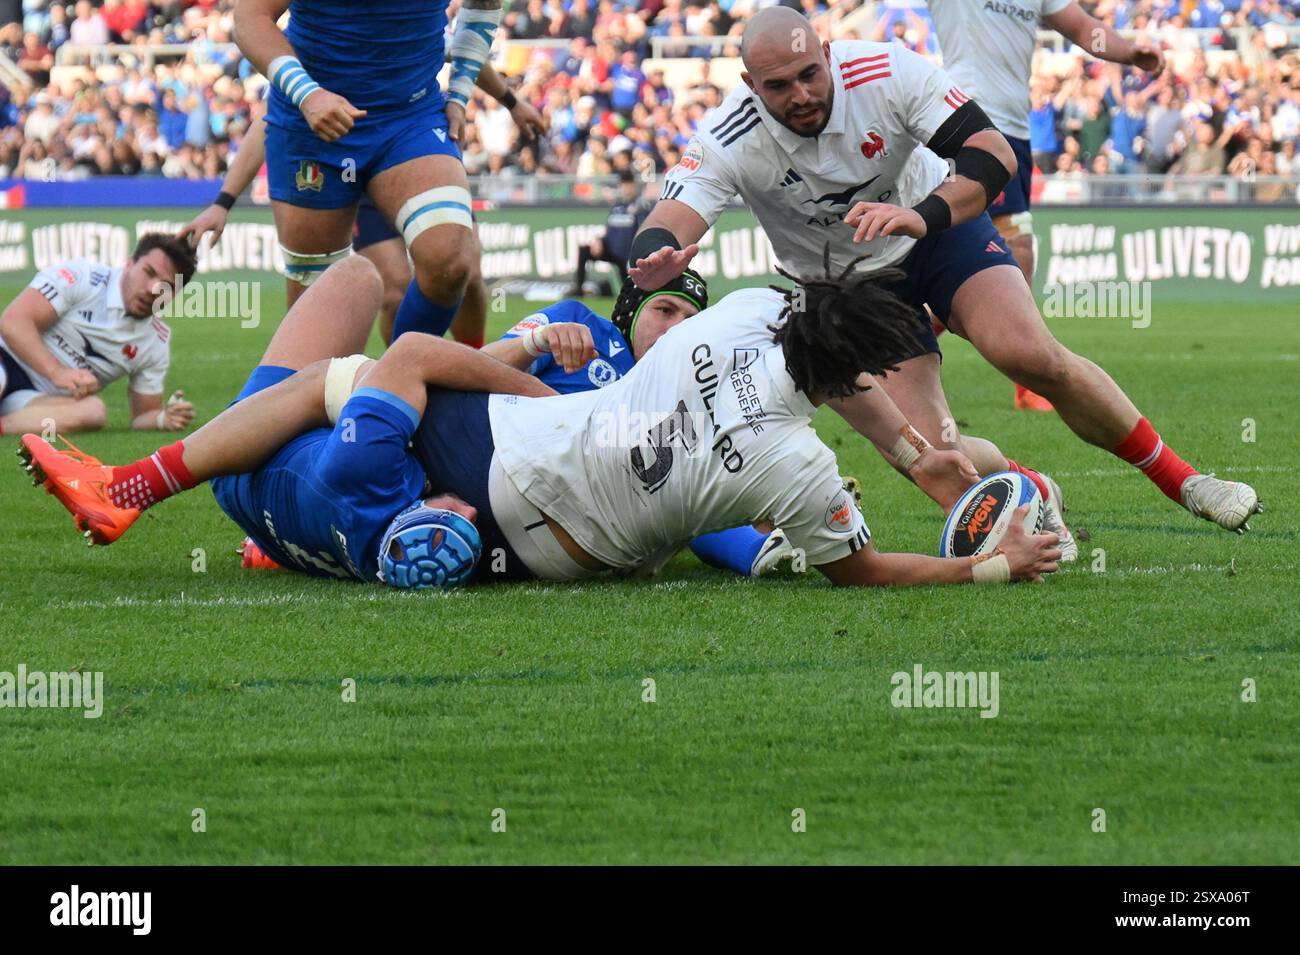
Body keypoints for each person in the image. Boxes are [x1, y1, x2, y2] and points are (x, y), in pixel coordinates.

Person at [20, 258, 1062, 588]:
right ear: (853, 367)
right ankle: (307, 533)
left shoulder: (738, 315)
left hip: (524, 457)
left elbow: (810, 359)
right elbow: (865, 575)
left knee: (389, 361)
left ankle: (132, 487)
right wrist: (990, 564)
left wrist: (522, 372)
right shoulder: (796, 474)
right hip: (551, 550)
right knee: (392, 376)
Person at [629, 7, 1261, 541]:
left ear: (828, 52)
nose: (800, 95)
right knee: (934, 455)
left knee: (1030, 355)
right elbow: (670, 218)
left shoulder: (886, 70)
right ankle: (1029, 487)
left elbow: (991, 154)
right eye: (778, 87)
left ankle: (1188, 481)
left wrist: (920, 216)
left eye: (809, 75)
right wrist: (659, 253)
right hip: (847, 292)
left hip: (937, 231)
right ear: (749, 84)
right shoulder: (728, 132)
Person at [20, 256, 553, 585]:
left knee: (354, 284)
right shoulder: (401, 556)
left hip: (242, 453)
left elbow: (410, 360)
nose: (469, 510)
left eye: (455, 512)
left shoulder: (369, 472)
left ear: (420, 507)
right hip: (281, 527)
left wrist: (537, 369)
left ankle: (127, 490)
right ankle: (274, 552)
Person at [178, 61, 547, 347]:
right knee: (394, 291)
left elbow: (458, 42)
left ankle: (471, 368)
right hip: (356, 175)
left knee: (462, 272)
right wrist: (223, 201)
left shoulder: (403, 20)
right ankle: (402, 376)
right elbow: (270, 121)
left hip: (416, 155)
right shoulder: (317, 48)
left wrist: (511, 101)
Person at [926, 0, 1164, 411]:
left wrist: (1129, 52)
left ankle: (906, 344)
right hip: (970, 122)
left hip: (1014, 132)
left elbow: (1081, 26)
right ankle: (1019, 375)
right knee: (1013, 245)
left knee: (1011, 249)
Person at [483, 272, 797, 577]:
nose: (676, 328)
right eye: (664, 310)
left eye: (690, 321)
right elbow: (476, 365)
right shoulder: (578, 324)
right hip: (520, 477)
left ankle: (766, 543)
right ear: (631, 313)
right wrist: (536, 342)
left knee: (700, 459)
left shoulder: (686, 386)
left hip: (608, 521)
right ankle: (758, 547)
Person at [232, 0, 504, 344]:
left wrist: (459, 95)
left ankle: (395, 384)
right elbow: (249, 17)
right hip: (315, 119)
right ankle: (292, 392)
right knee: (317, 305)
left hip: (410, 115)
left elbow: (484, 7)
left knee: (450, 262)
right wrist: (308, 95)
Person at [0, 233, 196, 437]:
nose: (153, 289)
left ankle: (4, 426)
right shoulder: (81, 277)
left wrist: (162, 418)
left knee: (93, 412)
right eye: (148, 272)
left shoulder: (156, 343)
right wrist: (57, 372)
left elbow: (143, 415)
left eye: (168, 286)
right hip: (6, 360)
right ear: (129, 264)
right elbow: (13, 323)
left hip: (36, 401)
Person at [568, 170, 653, 296]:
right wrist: (599, 240)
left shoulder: (640, 207)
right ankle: (579, 290)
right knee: (584, 250)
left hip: (627, 254)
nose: (626, 188)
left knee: (630, 291)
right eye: (623, 184)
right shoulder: (617, 207)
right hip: (611, 250)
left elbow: (644, 231)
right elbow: (609, 231)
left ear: (634, 186)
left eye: (629, 184)